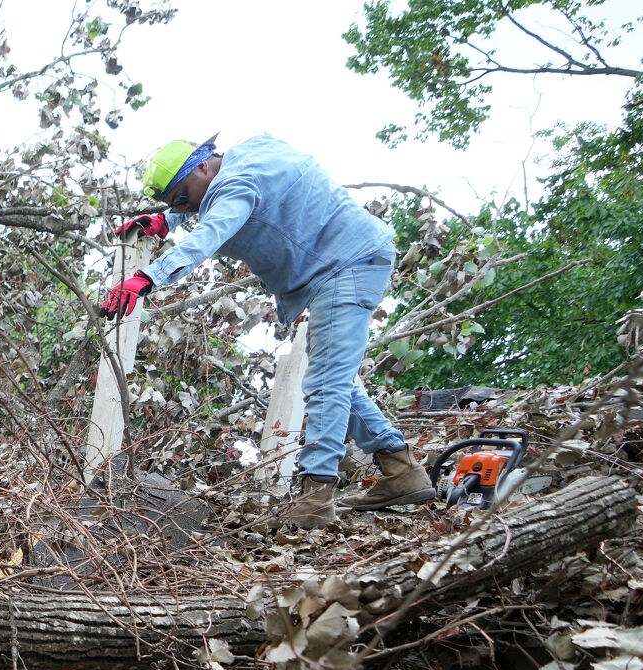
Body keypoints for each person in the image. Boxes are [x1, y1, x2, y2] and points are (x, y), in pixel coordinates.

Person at [95, 133, 434, 527]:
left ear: (203, 166)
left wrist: (147, 278)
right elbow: (216, 203)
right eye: (175, 204)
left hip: (346, 265)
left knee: (326, 383)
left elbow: (211, 230)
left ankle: (315, 500)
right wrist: (167, 219)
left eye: (183, 199)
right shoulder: (251, 151)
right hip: (343, 261)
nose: (186, 208)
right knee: (334, 377)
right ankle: (401, 470)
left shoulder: (234, 189)